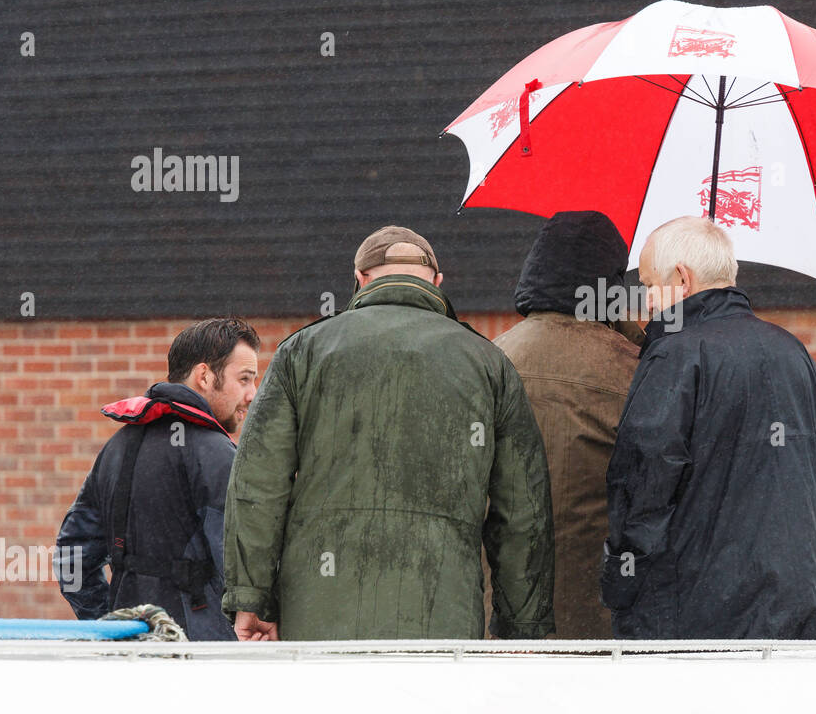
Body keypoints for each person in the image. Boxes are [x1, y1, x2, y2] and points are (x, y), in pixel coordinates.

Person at [222, 225, 555, 642]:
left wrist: (251, 598)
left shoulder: (302, 352)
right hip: (441, 615)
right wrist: (523, 628)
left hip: (319, 614)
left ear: (360, 278)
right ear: (437, 282)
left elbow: (257, 485)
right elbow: (522, 512)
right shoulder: (489, 364)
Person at [602, 216, 816, 639]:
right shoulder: (794, 353)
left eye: (651, 286)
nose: (648, 303)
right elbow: (809, 469)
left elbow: (643, 483)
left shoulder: (674, 356)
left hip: (692, 611)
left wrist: (622, 581)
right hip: (795, 604)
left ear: (683, 279)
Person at [55, 317, 261, 640]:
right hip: (201, 661)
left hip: (127, 653)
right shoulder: (217, 454)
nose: (252, 395)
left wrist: (109, 622)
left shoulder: (117, 447)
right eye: (245, 379)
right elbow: (243, 568)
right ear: (204, 376)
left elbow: (71, 556)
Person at [494, 211, 644, 639]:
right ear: (611, 284)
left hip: (501, 613)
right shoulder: (634, 369)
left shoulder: (490, 356)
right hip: (595, 612)